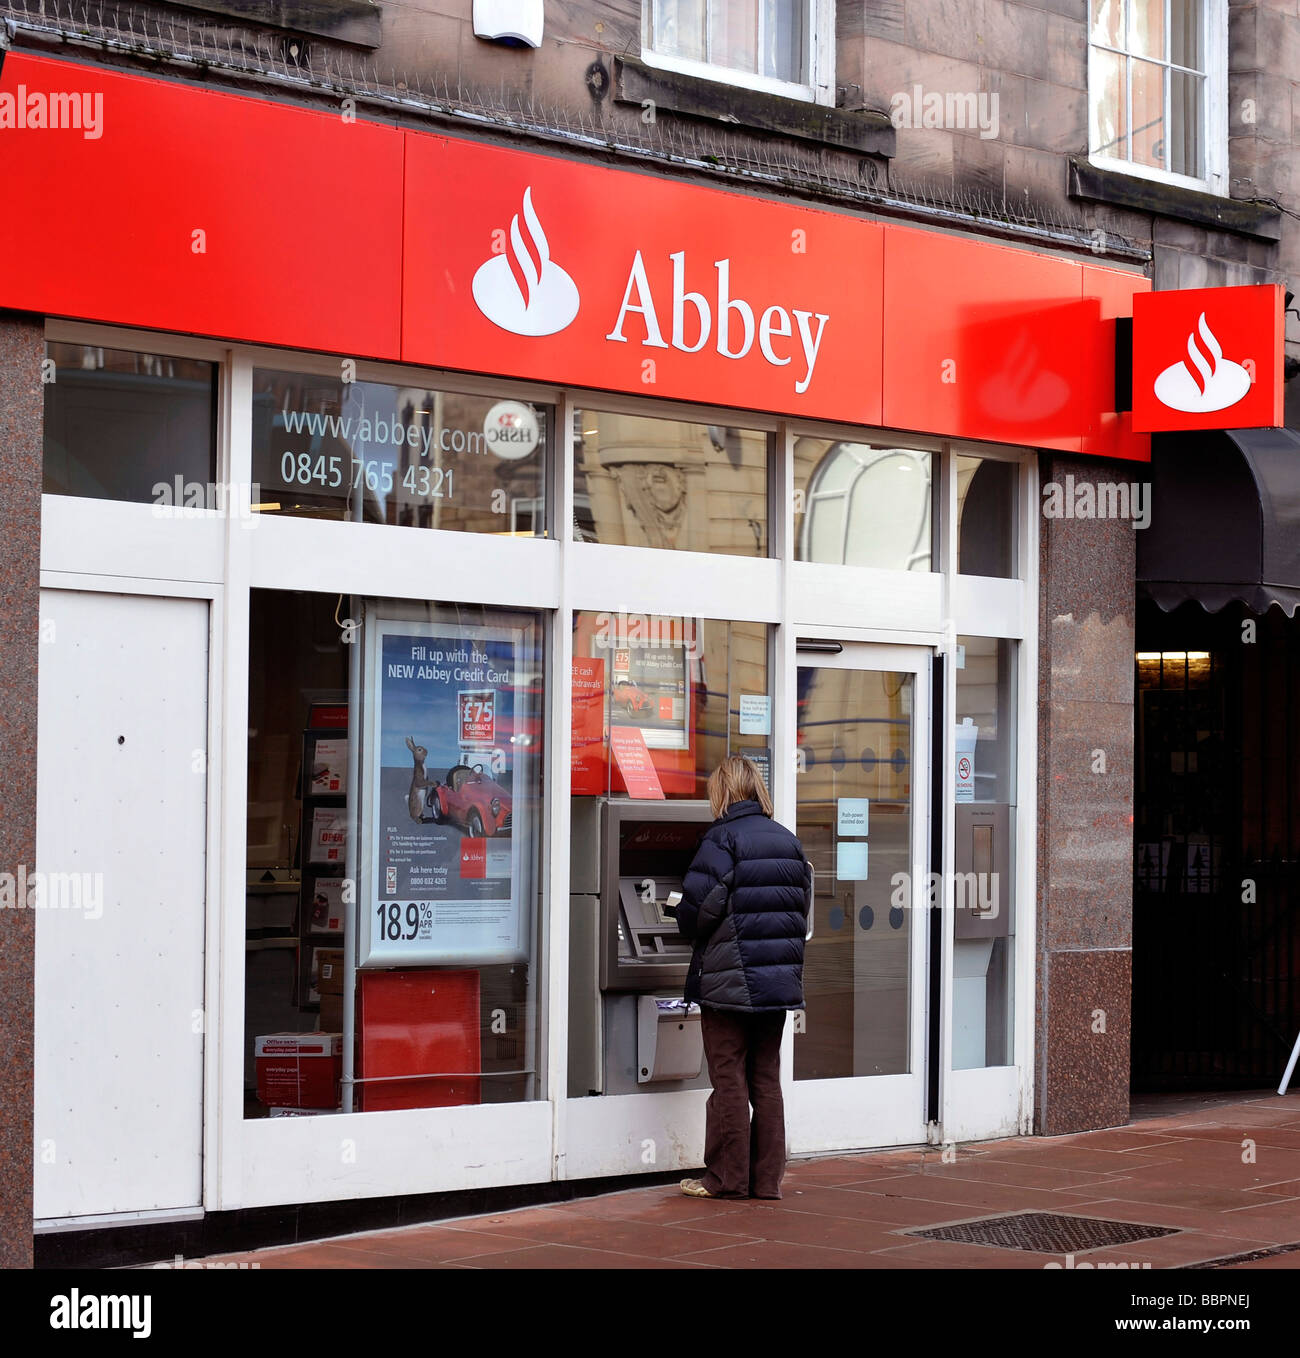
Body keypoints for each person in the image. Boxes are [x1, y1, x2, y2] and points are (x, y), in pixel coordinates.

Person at [674, 754, 812, 1200]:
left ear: (725, 791)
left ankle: (727, 1179)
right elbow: (800, 914)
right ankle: (767, 1181)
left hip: (730, 981)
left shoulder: (722, 839)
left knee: (729, 1077)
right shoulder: (788, 841)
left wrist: (677, 914)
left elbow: (699, 909)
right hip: (777, 983)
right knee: (766, 1080)